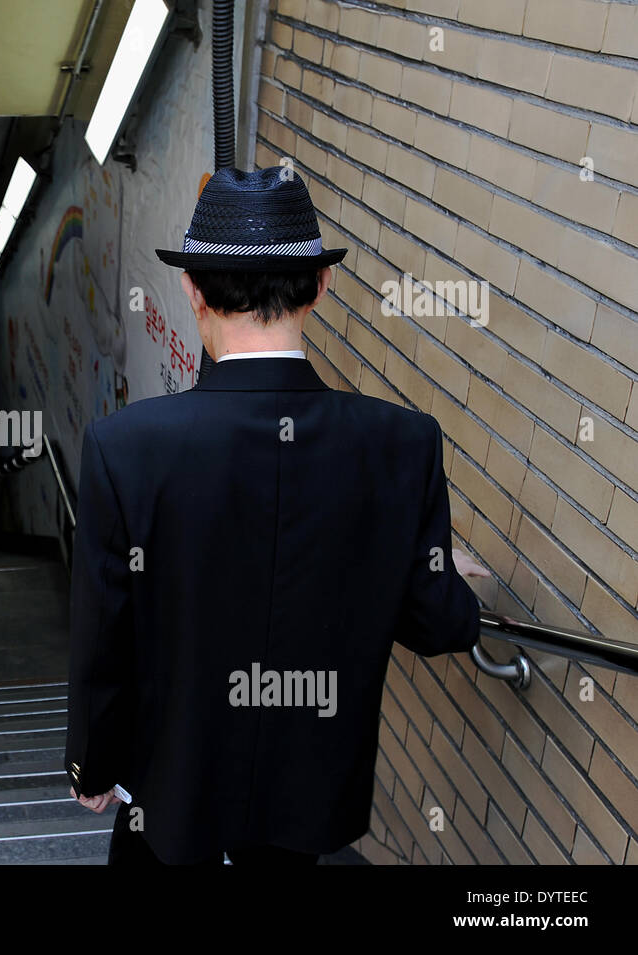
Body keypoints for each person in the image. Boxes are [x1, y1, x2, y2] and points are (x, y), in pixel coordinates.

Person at [64, 166, 488, 865]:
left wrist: (95, 761)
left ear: (193, 289)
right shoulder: (402, 443)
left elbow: (105, 634)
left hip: (172, 799)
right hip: (310, 805)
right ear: (320, 287)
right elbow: (438, 623)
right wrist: (434, 559)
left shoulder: (126, 447)